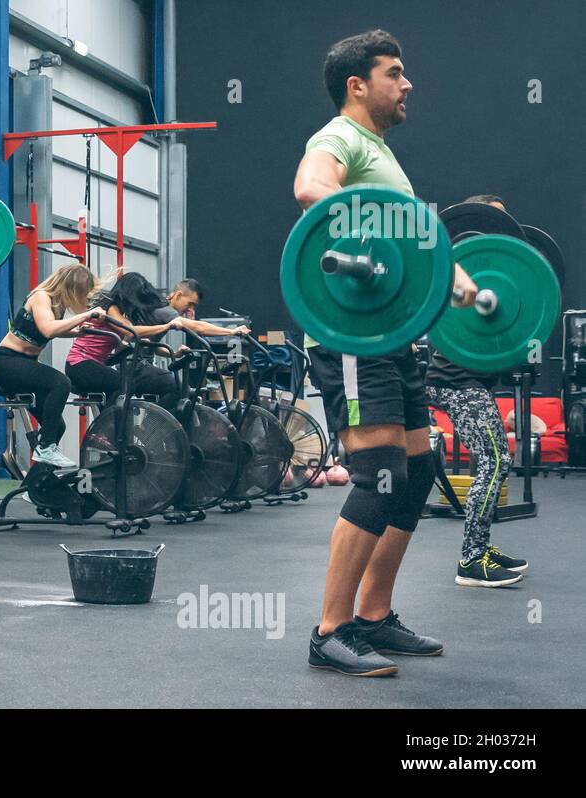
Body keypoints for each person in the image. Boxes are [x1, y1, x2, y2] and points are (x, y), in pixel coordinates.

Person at [293, 30, 480, 677]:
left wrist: (450, 278)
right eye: (394, 73)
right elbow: (311, 188)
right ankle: (329, 631)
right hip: (352, 334)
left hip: (394, 337)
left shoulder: (382, 154)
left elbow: (411, 247)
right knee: (376, 477)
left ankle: (374, 615)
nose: (408, 85)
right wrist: (369, 236)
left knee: (418, 475)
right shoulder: (339, 138)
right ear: (358, 84)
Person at [426, 196, 527, 587]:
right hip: (456, 382)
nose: (503, 230)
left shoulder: (492, 282)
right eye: (496, 220)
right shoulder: (459, 279)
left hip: (466, 381)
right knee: (496, 461)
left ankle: (481, 547)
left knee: (493, 461)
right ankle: (471, 559)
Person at [65, 273, 247, 409]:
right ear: (178, 295)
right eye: (190, 304)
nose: (190, 310)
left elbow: (144, 341)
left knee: (175, 388)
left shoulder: (129, 311)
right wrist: (232, 331)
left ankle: (147, 427)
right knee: (174, 387)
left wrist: (174, 354)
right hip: (114, 365)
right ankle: (151, 428)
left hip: (119, 363)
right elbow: (133, 332)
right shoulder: (162, 311)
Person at [0, 262, 103, 468]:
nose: (84, 299)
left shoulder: (56, 305)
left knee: (57, 427)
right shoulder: (41, 296)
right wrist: (85, 316)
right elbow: (48, 330)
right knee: (60, 382)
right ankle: (46, 447)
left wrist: (77, 332)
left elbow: (51, 329)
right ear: (71, 287)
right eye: (82, 293)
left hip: (25, 363)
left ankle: (33, 485)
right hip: (8, 363)